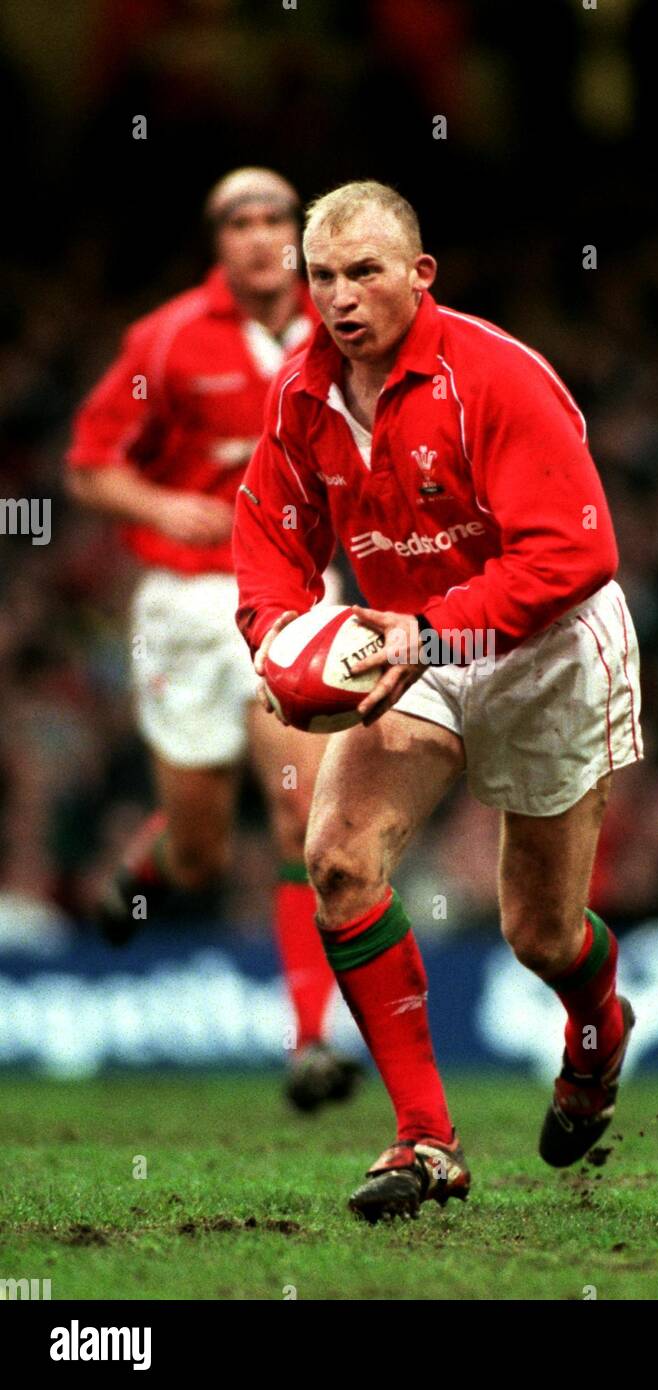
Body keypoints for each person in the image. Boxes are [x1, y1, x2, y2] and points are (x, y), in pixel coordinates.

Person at [233, 180, 644, 1222]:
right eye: (320, 276)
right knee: (336, 857)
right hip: (414, 648)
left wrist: (436, 627)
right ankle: (427, 1141)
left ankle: (596, 1033)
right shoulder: (299, 399)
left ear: (420, 275)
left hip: (546, 646)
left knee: (541, 936)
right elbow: (272, 551)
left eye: (364, 271)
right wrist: (282, 641)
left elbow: (578, 550)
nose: (339, 296)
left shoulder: (496, 376)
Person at [66, 167, 360, 1112]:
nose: (261, 232)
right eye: (241, 218)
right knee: (199, 854)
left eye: (277, 215)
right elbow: (89, 466)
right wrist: (164, 505)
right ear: (216, 238)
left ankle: (310, 1042)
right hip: (186, 607)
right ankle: (145, 866)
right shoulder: (165, 339)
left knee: (302, 816)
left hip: (296, 593)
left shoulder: (341, 323)